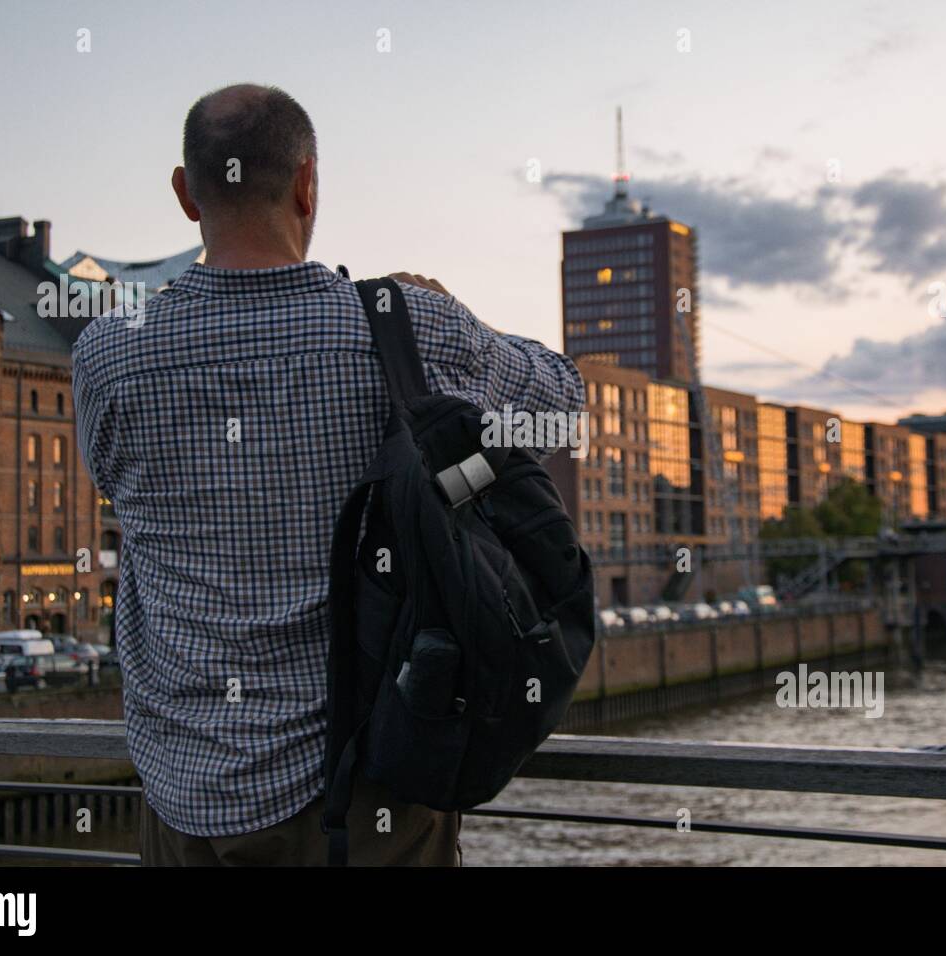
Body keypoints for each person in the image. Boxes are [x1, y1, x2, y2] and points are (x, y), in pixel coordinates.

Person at [71, 84, 585, 866]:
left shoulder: (106, 357)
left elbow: (120, 493)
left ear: (185, 193)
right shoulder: (403, 327)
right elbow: (563, 406)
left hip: (182, 806)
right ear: (309, 184)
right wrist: (456, 317)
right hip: (360, 799)